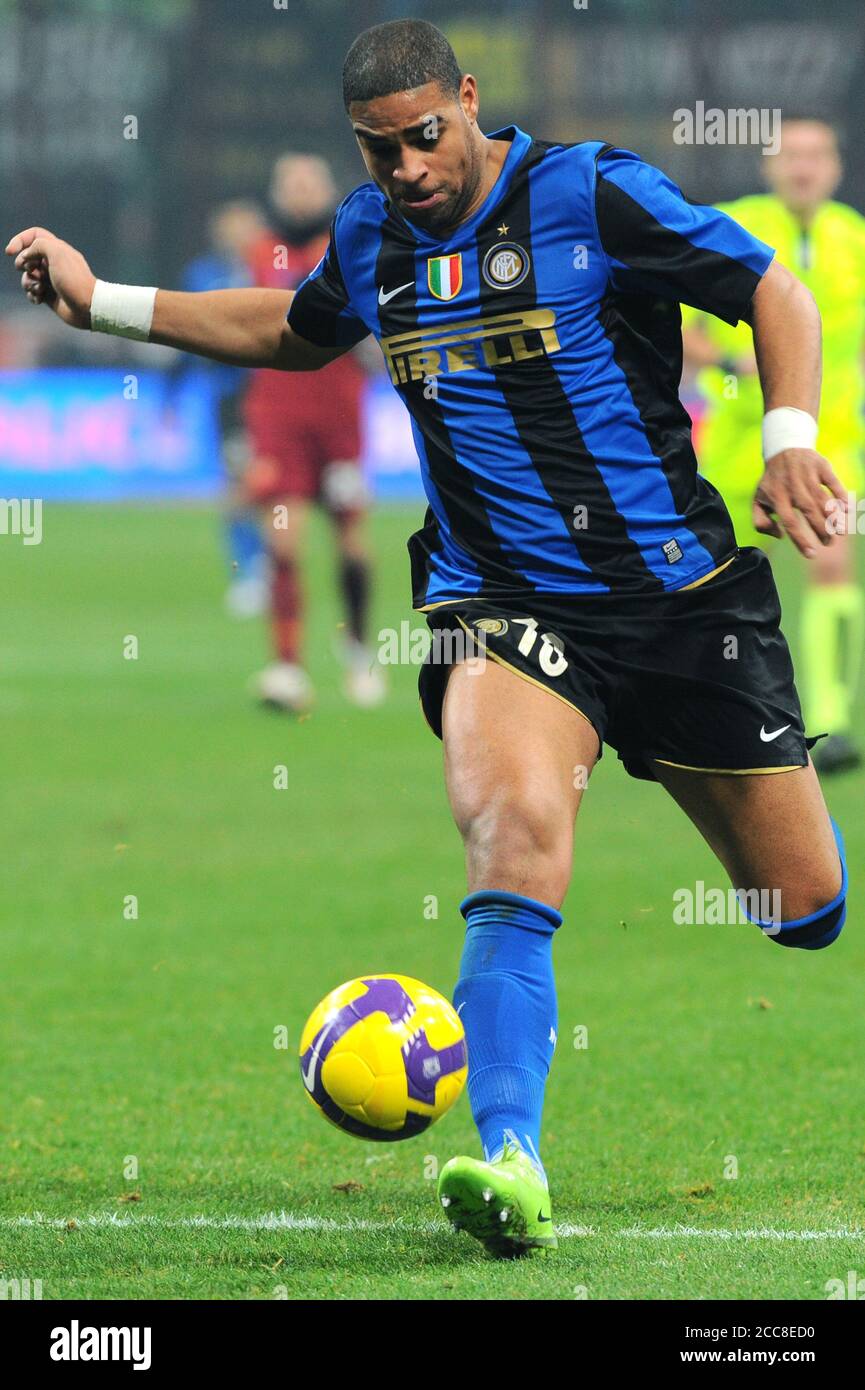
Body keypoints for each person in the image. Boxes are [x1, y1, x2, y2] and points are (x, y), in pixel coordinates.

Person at [7, 18, 850, 1261]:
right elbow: (292, 329)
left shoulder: (590, 192)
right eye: (376, 149)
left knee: (804, 906)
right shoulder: (368, 234)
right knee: (509, 842)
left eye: (422, 138)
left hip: (679, 605)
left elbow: (768, 287)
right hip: (499, 604)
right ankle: (510, 1152)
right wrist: (107, 304)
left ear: (467, 99)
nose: (404, 168)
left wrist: (786, 437)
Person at [683, 118, 865, 774]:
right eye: (789, 155)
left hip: (829, 444)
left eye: (817, 155)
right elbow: (682, 331)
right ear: (766, 166)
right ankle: (725, 713)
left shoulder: (854, 237)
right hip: (736, 443)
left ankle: (832, 720)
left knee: (830, 566)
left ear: (836, 167)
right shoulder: (730, 226)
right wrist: (731, 366)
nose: (803, 167)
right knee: (724, 585)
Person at [244, 153, 384, 712]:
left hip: (339, 421)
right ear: (277, 191)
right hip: (278, 420)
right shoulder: (257, 253)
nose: (300, 193)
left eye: (309, 183)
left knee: (351, 543)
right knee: (282, 541)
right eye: (291, 184)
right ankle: (286, 667)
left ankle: (356, 650)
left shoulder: (347, 245)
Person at [180, 199, 269, 619]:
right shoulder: (202, 275)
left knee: (271, 486)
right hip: (231, 401)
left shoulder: (274, 270)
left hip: (272, 394)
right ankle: (247, 571)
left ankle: (269, 565)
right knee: (239, 487)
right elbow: (182, 337)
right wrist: (170, 393)